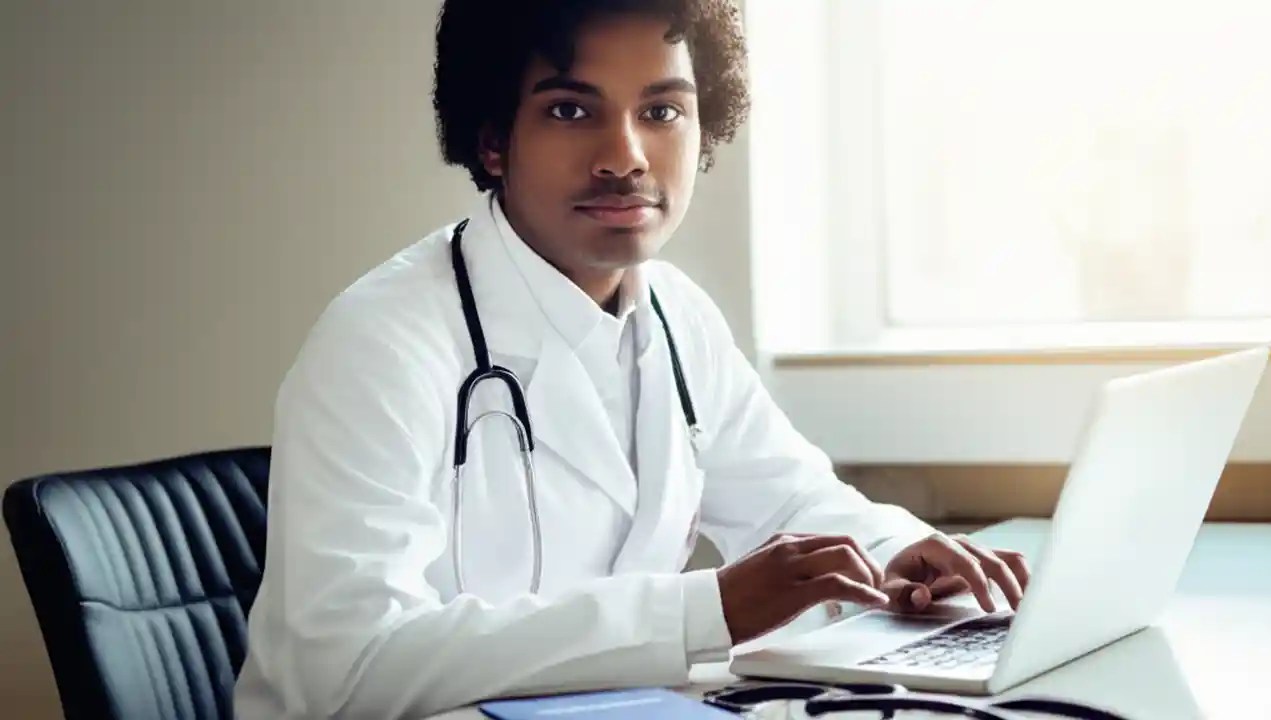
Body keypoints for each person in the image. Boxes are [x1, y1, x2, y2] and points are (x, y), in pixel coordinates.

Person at [234, 1, 1031, 718]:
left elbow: (790, 503)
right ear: (492, 139)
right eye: (572, 109)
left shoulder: (676, 313)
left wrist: (896, 553)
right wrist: (700, 611)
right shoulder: (382, 339)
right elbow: (344, 669)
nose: (626, 155)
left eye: (661, 110)